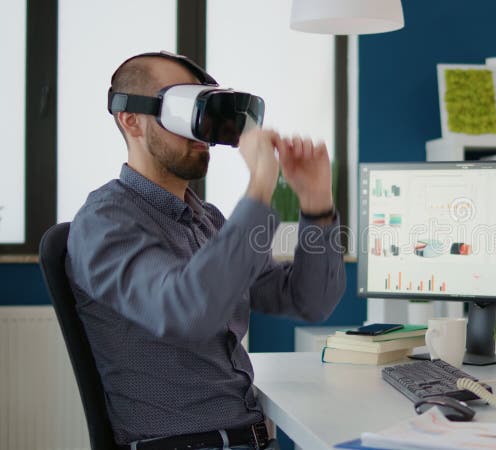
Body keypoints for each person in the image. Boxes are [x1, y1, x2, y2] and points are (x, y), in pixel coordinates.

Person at [65, 52, 346, 449]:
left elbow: (308, 301)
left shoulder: (207, 220)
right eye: (182, 110)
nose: (201, 132)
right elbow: (186, 310)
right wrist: (261, 185)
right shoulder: (105, 221)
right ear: (131, 120)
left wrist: (317, 204)